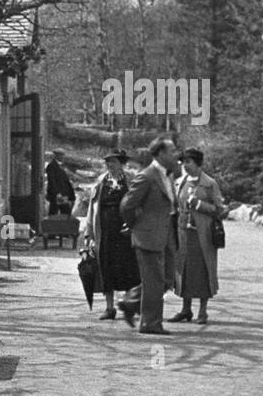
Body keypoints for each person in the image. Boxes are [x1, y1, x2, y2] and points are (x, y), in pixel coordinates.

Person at [119, 137, 180, 334]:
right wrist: (134, 225)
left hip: (167, 234)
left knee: (168, 279)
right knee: (154, 280)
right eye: (172, 151)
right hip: (148, 236)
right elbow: (127, 204)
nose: (176, 154)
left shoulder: (167, 175)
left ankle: (131, 302)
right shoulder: (147, 176)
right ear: (161, 154)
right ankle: (151, 323)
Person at [170, 148, 227, 324]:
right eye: (184, 162)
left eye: (189, 162)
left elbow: (220, 210)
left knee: (203, 270)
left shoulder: (210, 184)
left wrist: (199, 205)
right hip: (184, 234)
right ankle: (185, 309)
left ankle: (203, 311)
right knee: (184, 270)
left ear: (198, 163)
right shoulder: (180, 183)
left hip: (203, 235)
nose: (185, 166)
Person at [84, 149, 141, 320]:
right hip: (105, 233)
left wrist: (133, 225)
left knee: (129, 270)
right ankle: (109, 308)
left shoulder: (131, 181)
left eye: (113, 161)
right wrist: (89, 234)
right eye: (107, 161)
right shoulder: (101, 182)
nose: (110, 165)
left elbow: (139, 206)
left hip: (125, 233)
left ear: (122, 163)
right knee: (106, 269)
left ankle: (130, 304)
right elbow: (91, 209)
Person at [44, 148, 75, 217]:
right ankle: (52, 226)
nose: (63, 157)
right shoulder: (52, 166)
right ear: (56, 156)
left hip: (62, 194)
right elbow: (52, 182)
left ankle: (59, 226)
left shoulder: (61, 166)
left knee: (62, 213)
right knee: (57, 213)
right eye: (61, 155)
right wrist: (57, 193)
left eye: (63, 155)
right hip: (58, 195)